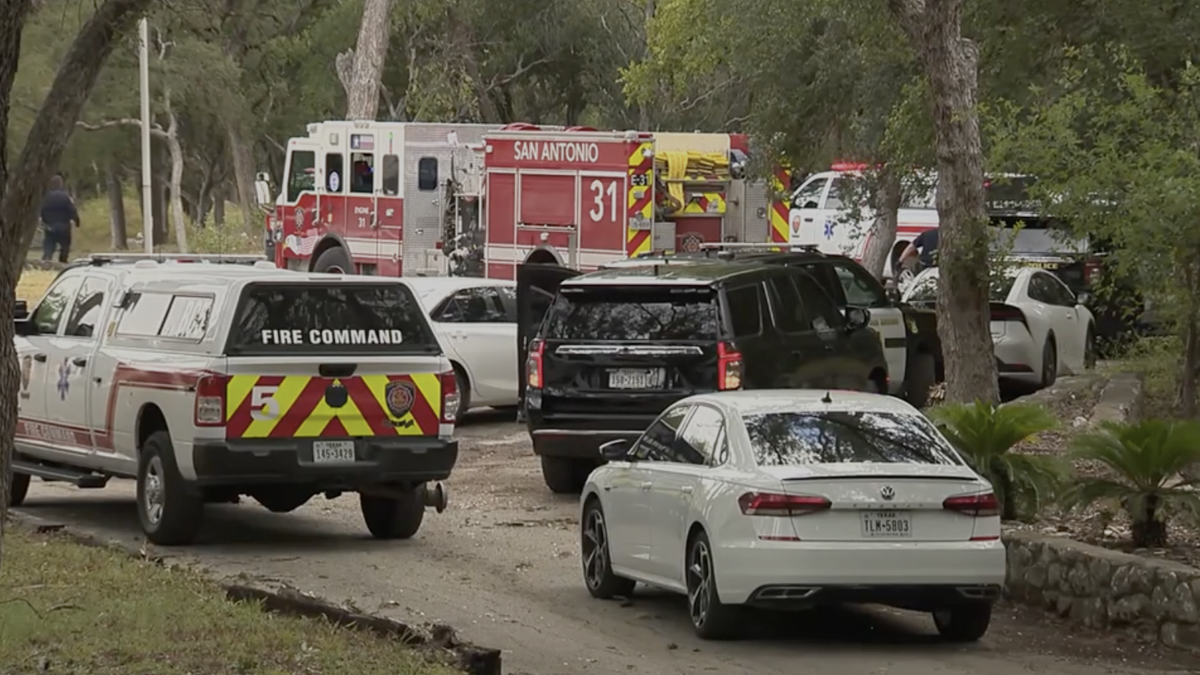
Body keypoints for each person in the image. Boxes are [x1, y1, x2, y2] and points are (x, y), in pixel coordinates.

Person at [39, 174, 79, 263]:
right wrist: (76, 221)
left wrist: (43, 221)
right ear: (60, 184)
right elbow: (71, 209)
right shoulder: (65, 197)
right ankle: (63, 261)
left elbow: (41, 210)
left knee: (49, 244)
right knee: (65, 245)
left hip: (49, 225)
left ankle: (47, 259)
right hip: (63, 226)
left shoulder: (45, 197)